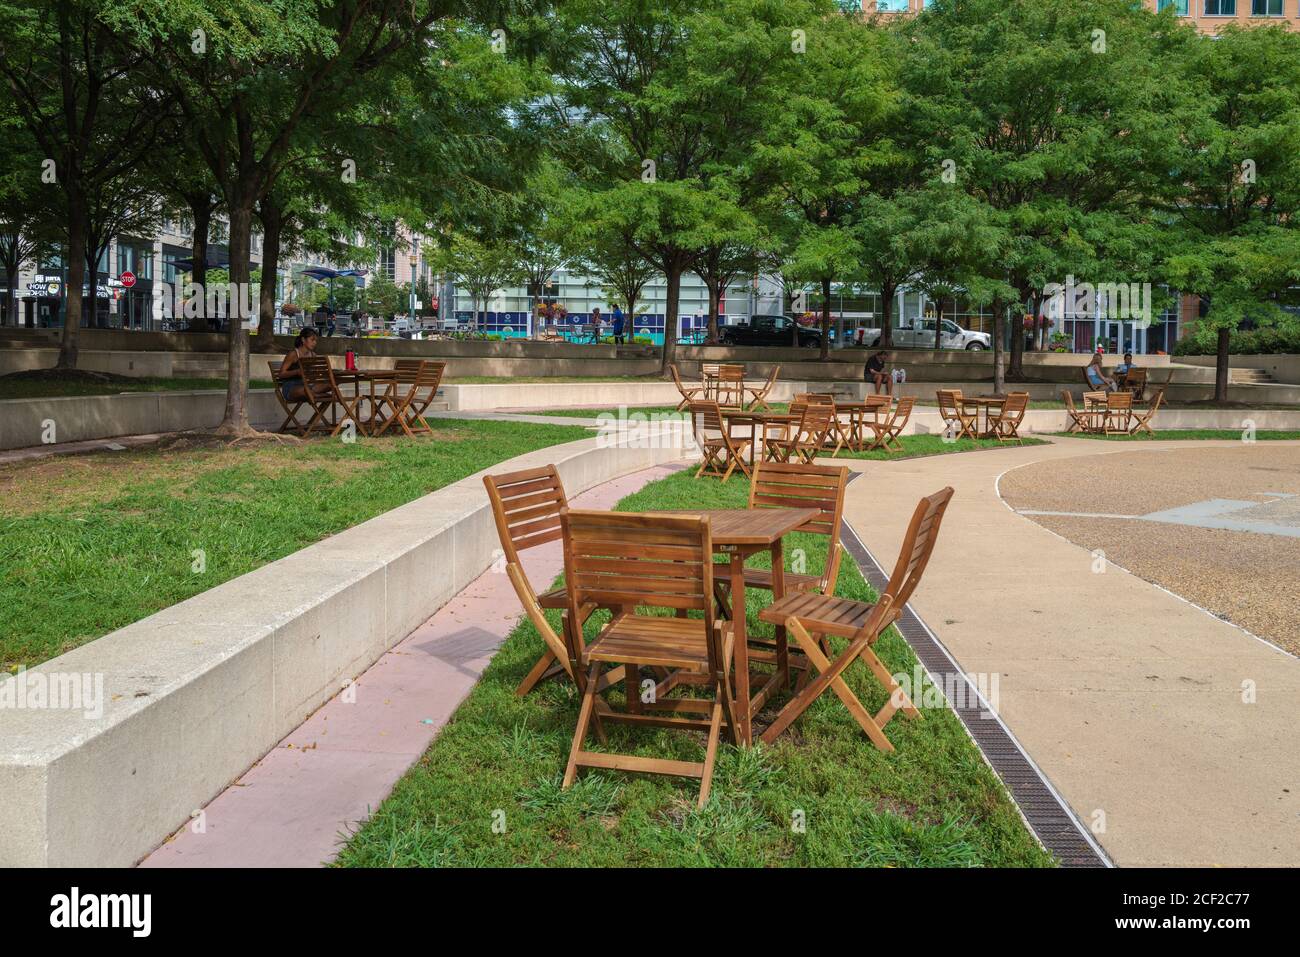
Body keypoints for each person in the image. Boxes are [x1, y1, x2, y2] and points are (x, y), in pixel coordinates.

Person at [278, 327, 318, 402]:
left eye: (316, 340)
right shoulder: (293, 354)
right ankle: (316, 394)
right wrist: (297, 372)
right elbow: (281, 374)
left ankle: (315, 393)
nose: (315, 343)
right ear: (303, 340)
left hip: (306, 385)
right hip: (291, 387)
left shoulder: (313, 355)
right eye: (312, 340)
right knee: (309, 392)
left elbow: (313, 375)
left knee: (330, 386)